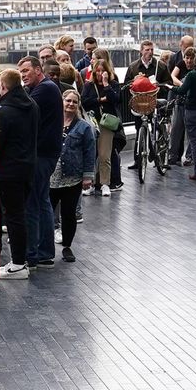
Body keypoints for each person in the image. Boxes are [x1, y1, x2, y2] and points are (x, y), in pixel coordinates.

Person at [0, 67, 36, 280]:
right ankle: (22, 259)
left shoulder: (5, 112)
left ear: (3, 86)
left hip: (8, 171)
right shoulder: (32, 106)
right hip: (27, 167)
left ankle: (18, 264)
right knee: (21, 215)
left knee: (13, 217)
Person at [21, 56, 62, 267]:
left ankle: (32, 254)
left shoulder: (45, 89)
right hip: (46, 152)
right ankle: (45, 251)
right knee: (42, 200)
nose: (23, 76)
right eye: (20, 73)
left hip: (42, 154)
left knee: (33, 203)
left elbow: (22, 110)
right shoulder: (45, 88)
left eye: (26, 71)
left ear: (38, 70)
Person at [50, 91, 98, 264]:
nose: (70, 104)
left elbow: (89, 152)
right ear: (62, 102)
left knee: (68, 213)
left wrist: (88, 176)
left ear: (78, 105)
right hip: (51, 176)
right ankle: (45, 245)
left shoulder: (84, 127)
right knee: (48, 212)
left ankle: (67, 246)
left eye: (74, 102)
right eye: (67, 101)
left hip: (73, 177)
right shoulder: (52, 122)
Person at [83, 53, 123, 196]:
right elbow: (85, 102)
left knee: (105, 155)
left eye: (102, 71)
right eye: (97, 71)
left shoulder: (113, 84)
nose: (100, 74)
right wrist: (100, 100)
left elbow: (115, 100)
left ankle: (105, 183)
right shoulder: (88, 85)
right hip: (92, 123)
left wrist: (106, 85)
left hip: (107, 124)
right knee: (92, 154)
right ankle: (91, 183)